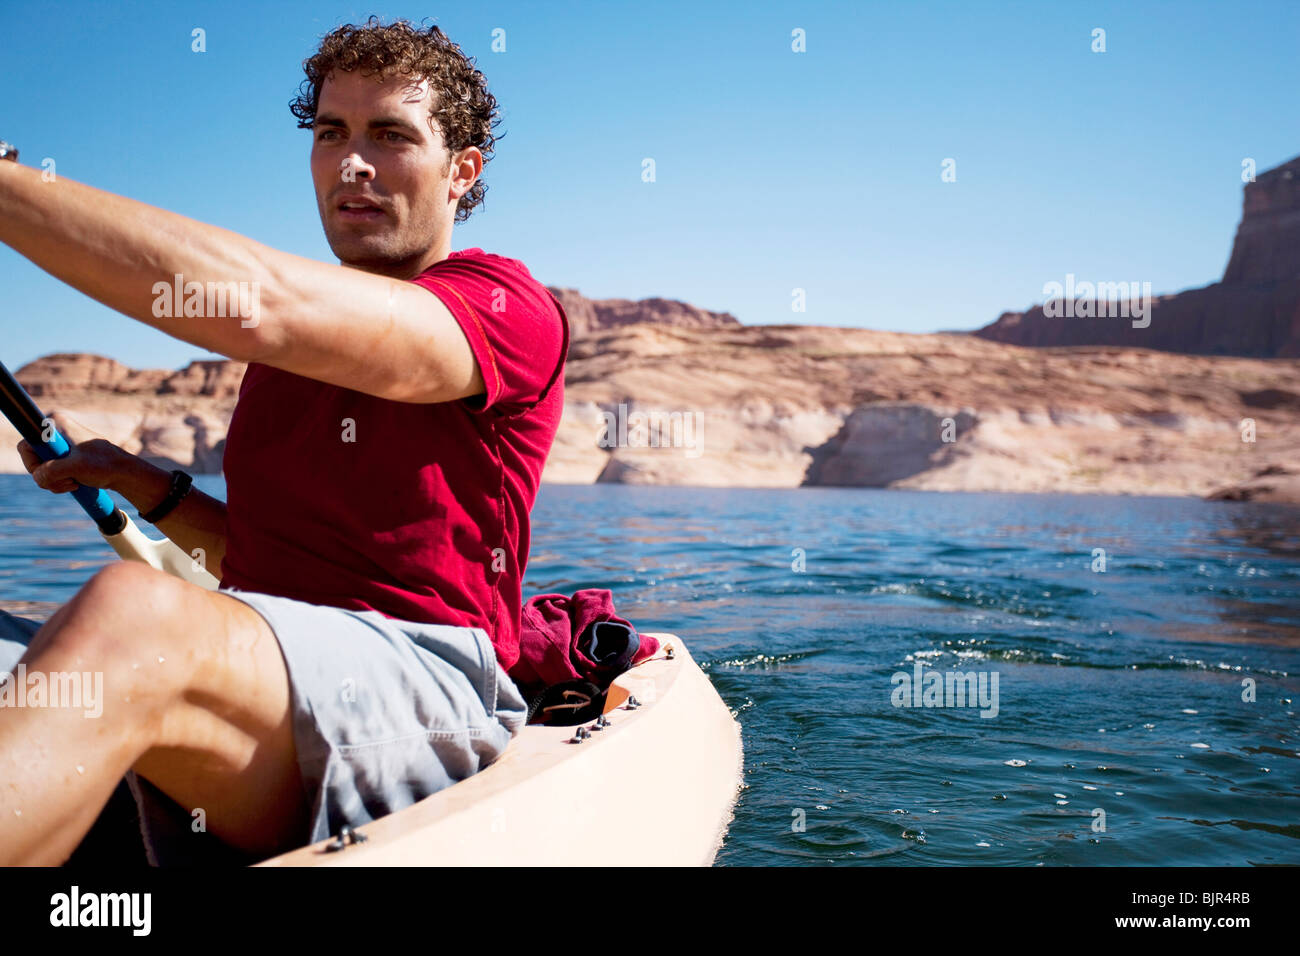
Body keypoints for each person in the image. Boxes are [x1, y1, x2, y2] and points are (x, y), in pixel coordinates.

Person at [0, 17, 567, 865]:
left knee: (131, 615)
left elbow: (261, 302)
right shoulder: (276, 369)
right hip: (271, 653)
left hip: (432, 686)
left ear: (462, 172)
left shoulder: (504, 307)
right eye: (331, 133)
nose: (353, 163)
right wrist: (136, 478)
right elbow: (276, 563)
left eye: (390, 135)